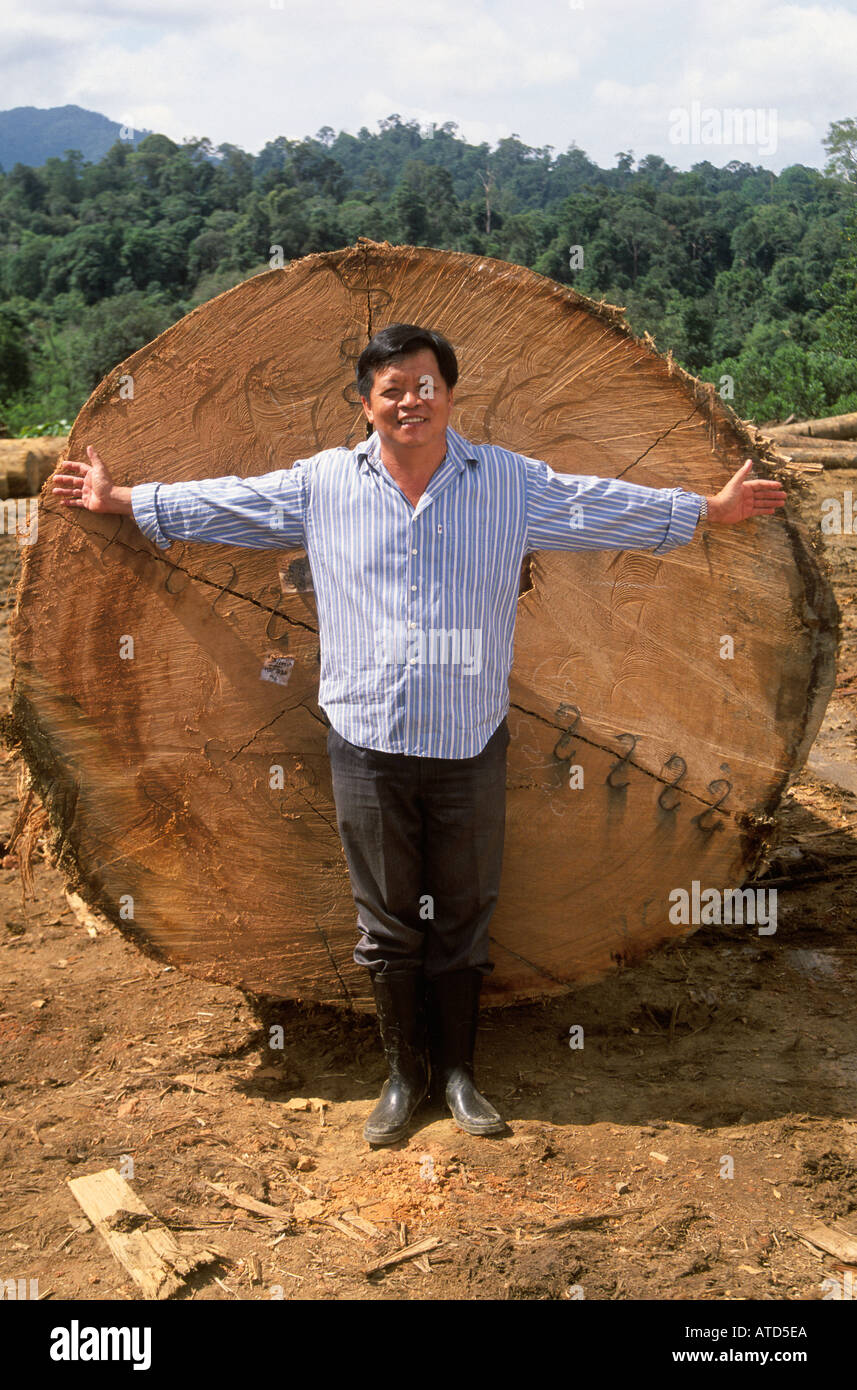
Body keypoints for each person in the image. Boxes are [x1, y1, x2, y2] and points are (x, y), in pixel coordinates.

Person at [52, 322, 787, 1146]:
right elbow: (231, 501)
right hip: (365, 741)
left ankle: (461, 1075)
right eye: (392, 389)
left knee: (466, 912)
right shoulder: (323, 484)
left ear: (450, 393)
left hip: (469, 739)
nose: (411, 400)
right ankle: (404, 1078)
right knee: (388, 920)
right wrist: (122, 501)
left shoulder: (505, 481)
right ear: (364, 405)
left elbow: (597, 503)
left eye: (425, 384)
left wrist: (706, 512)